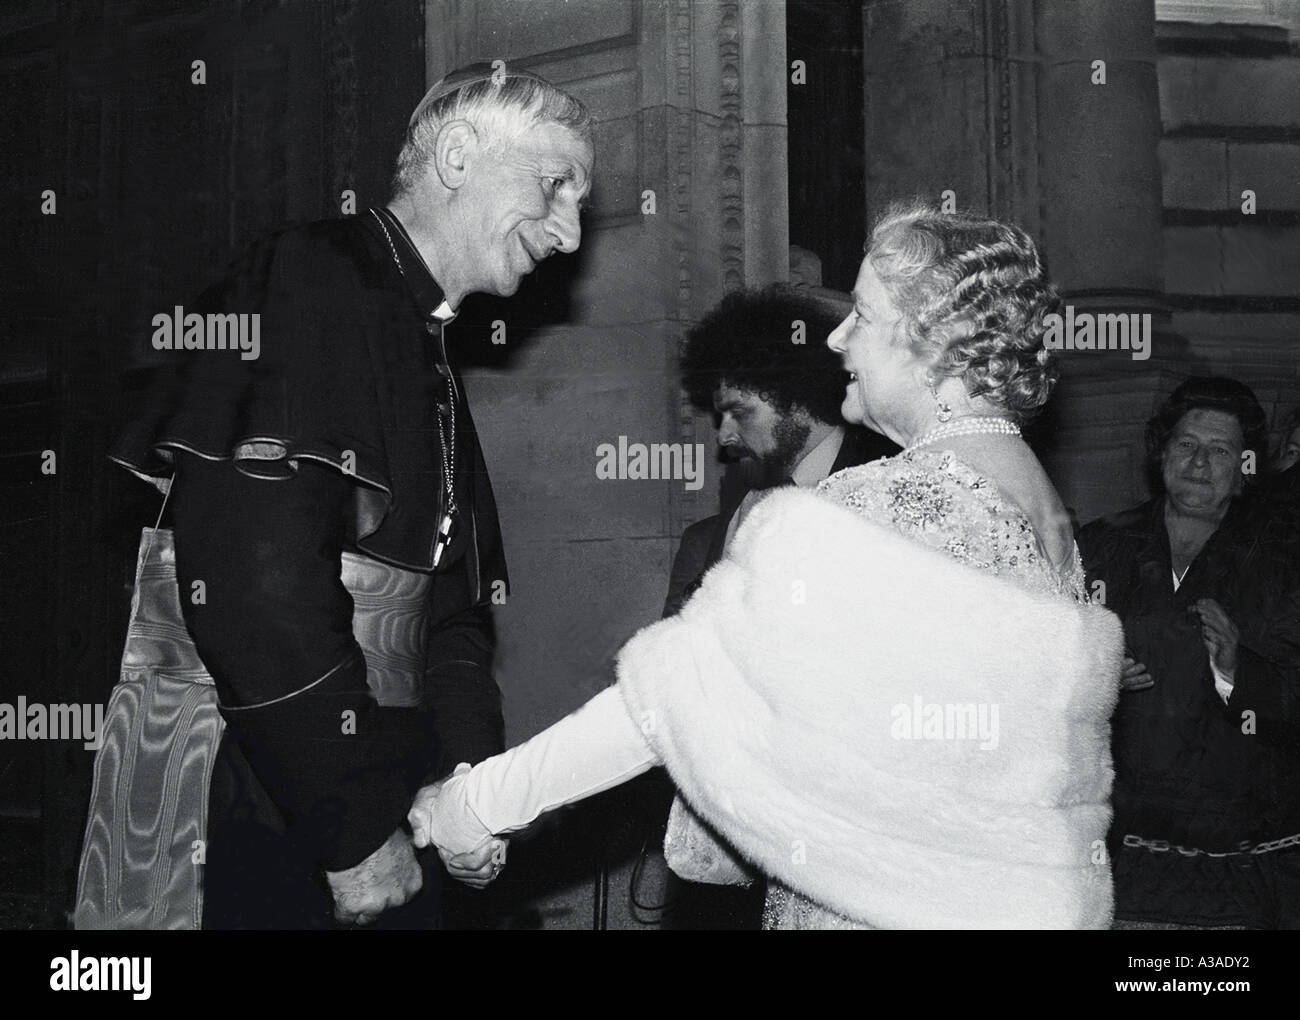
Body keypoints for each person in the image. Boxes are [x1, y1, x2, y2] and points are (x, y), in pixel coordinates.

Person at [409, 202, 1125, 929]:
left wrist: (475, 804)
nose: (839, 339)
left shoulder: (882, 503)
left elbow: (671, 699)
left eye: (864, 318)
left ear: (932, 342)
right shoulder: (1043, 508)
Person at [74, 63, 594, 929]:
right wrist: (349, 827)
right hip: (267, 773)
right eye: (555, 187)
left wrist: (471, 788)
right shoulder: (310, 275)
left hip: (379, 774)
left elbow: (454, 611)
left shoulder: (422, 335)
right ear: (459, 155)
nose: (572, 235)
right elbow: (255, 584)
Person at [1078, 377, 1300, 929]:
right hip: (1120, 853)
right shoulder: (1103, 544)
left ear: (1246, 464)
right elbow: (1047, 666)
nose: (1200, 462)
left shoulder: (1284, 557)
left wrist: (1236, 671)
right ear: (1161, 452)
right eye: (1186, 445)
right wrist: (1097, 675)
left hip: (1241, 863)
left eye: (1220, 449)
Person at [664, 285, 898, 618]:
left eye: (740, 412)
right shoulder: (706, 538)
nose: (725, 436)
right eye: (720, 416)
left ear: (800, 401)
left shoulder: (892, 497)